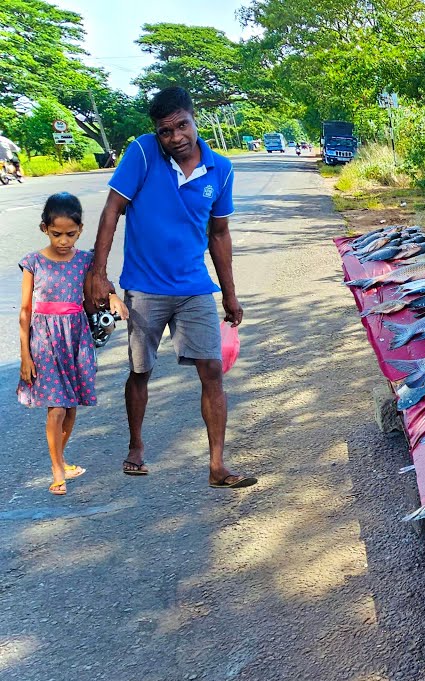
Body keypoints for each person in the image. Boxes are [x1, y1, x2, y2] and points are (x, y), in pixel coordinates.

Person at [84, 86, 257, 489]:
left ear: (195, 120)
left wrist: (229, 292)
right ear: (156, 133)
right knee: (140, 370)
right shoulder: (143, 153)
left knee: (212, 370)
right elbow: (113, 210)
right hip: (145, 288)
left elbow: (219, 233)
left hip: (194, 287)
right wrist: (98, 272)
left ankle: (217, 466)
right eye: (166, 130)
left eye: (182, 125)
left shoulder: (222, 169)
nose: (176, 137)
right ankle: (136, 445)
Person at [18, 193, 129, 495]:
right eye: (56, 234)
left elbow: (101, 284)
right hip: (44, 340)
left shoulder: (85, 260)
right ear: (44, 229)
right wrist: (25, 356)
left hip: (76, 338)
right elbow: (25, 311)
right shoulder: (33, 262)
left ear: (80, 229)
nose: (63, 240)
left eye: (70, 234)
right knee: (55, 408)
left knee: (70, 407)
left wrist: (114, 297)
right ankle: (57, 469)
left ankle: (61, 458)